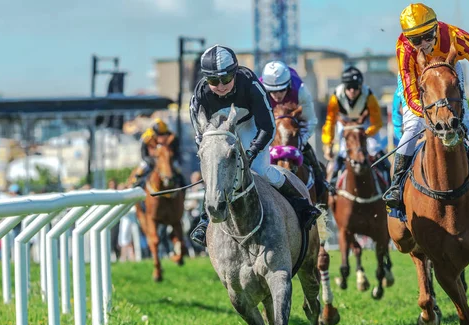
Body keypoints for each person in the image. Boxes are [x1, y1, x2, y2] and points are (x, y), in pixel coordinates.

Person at [188, 45, 322, 247]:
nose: (221, 86)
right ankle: (204, 221)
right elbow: (201, 138)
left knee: (262, 170)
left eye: (225, 79)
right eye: (214, 81)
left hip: (250, 127)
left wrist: (251, 152)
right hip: (219, 133)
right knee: (215, 175)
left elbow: (268, 127)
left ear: (234, 72)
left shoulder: (250, 85)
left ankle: (301, 205)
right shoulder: (199, 97)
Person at [383, 3, 469, 209]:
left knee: (466, 123)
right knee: (412, 128)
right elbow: (410, 90)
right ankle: (396, 186)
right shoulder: (403, 48)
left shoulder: (455, 36)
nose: (423, 44)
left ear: (436, 28)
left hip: (449, 71)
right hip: (417, 78)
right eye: (416, 40)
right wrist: (430, 115)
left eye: (428, 37)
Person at [260, 60, 327, 197]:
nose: (277, 95)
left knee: (314, 162)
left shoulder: (301, 90)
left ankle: (321, 186)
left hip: (293, 133)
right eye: (272, 91)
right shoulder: (258, 92)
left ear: (289, 86)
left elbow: (310, 121)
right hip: (268, 135)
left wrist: (298, 143)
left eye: (282, 90)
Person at [321, 66, 387, 190]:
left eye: (356, 87)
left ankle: (389, 182)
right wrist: (328, 144)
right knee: (340, 152)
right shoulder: (336, 97)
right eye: (349, 87)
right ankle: (331, 187)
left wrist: (365, 134)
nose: (352, 90)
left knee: (375, 149)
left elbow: (377, 122)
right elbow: (330, 121)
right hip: (344, 123)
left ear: (361, 86)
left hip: (365, 124)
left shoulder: (369, 96)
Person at [132, 118, 183, 188]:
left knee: (178, 168)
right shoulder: (147, 137)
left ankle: (183, 185)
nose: (161, 138)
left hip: (166, 160)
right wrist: (150, 160)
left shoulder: (171, 136)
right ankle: (136, 184)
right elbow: (143, 153)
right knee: (142, 168)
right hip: (150, 159)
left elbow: (176, 151)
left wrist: (172, 159)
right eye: (159, 135)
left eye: (163, 134)